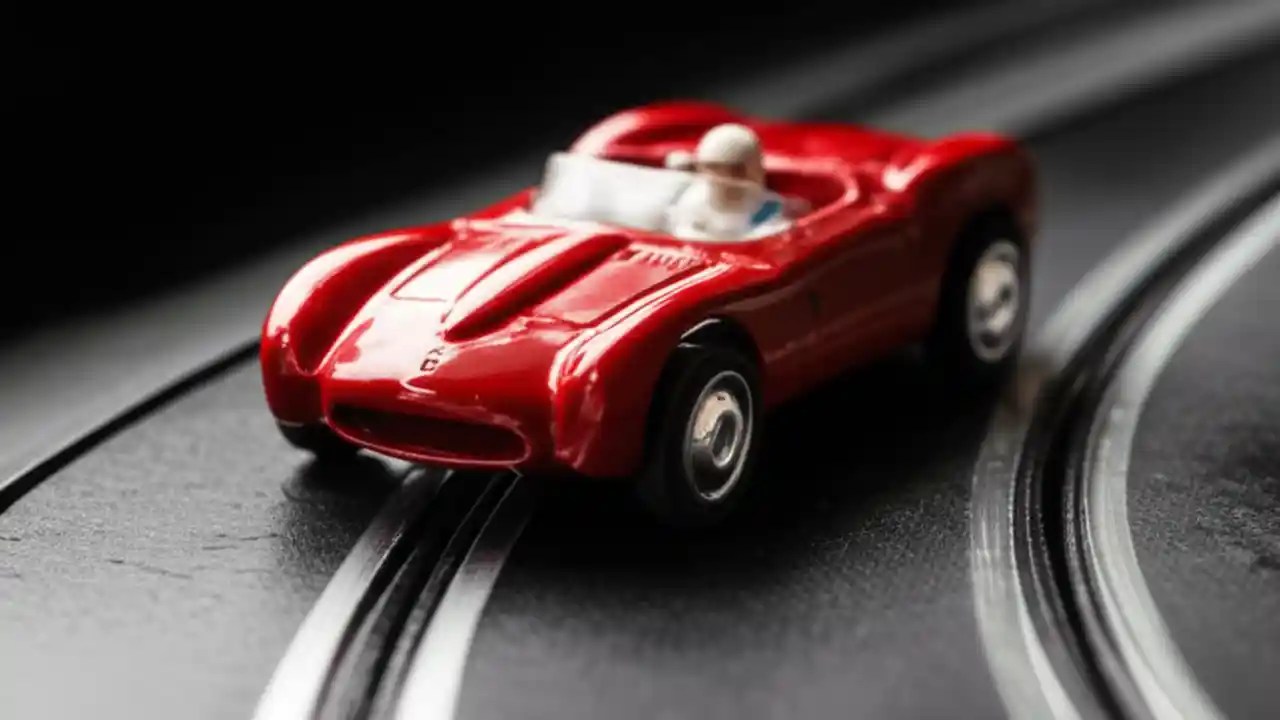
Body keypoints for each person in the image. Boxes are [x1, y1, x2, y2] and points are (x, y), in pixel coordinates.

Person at [665, 123, 790, 240]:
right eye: (710, 168)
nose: (716, 177)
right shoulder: (694, 199)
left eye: (734, 170)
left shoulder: (766, 209)